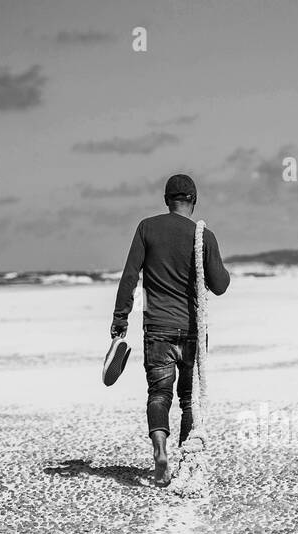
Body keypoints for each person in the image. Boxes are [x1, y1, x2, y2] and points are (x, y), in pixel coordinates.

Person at [112, 173, 230, 485]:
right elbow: (220, 285)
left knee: (159, 393)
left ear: (167, 201)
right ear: (194, 201)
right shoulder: (203, 236)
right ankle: (184, 458)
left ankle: (160, 451)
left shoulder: (147, 228)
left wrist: (120, 320)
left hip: (157, 330)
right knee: (188, 398)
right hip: (192, 331)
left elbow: (129, 277)